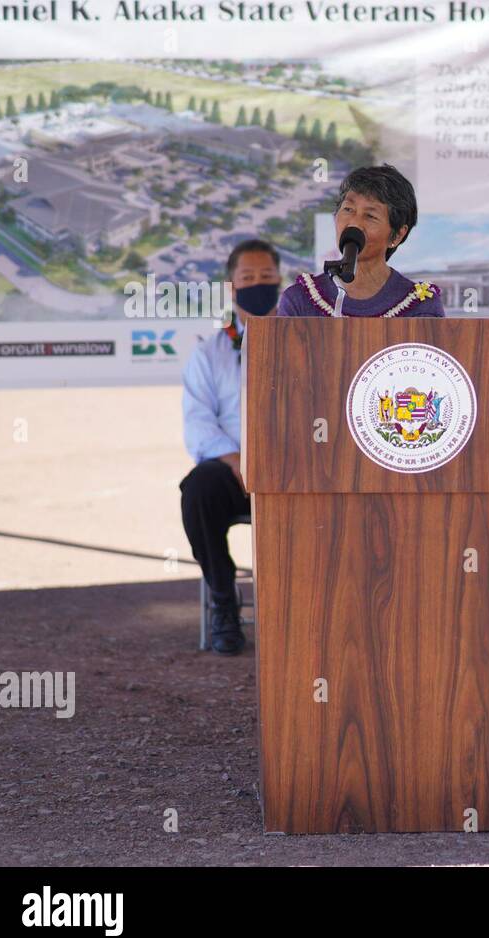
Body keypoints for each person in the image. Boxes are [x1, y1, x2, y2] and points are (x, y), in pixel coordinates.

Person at [181, 239, 282, 655]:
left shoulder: (310, 340)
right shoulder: (209, 352)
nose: (257, 285)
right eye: (248, 278)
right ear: (231, 287)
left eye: (266, 278)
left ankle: (308, 609)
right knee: (197, 489)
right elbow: (198, 421)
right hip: (234, 469)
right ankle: (224, 602)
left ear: (280, 282)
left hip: (293, 470)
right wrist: (237, 460)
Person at [278, 164, 444, 318]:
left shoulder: (421, 306)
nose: (355, 223)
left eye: (370, 216)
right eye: (348, 209)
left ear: (397, 235)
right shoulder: (299, 300)